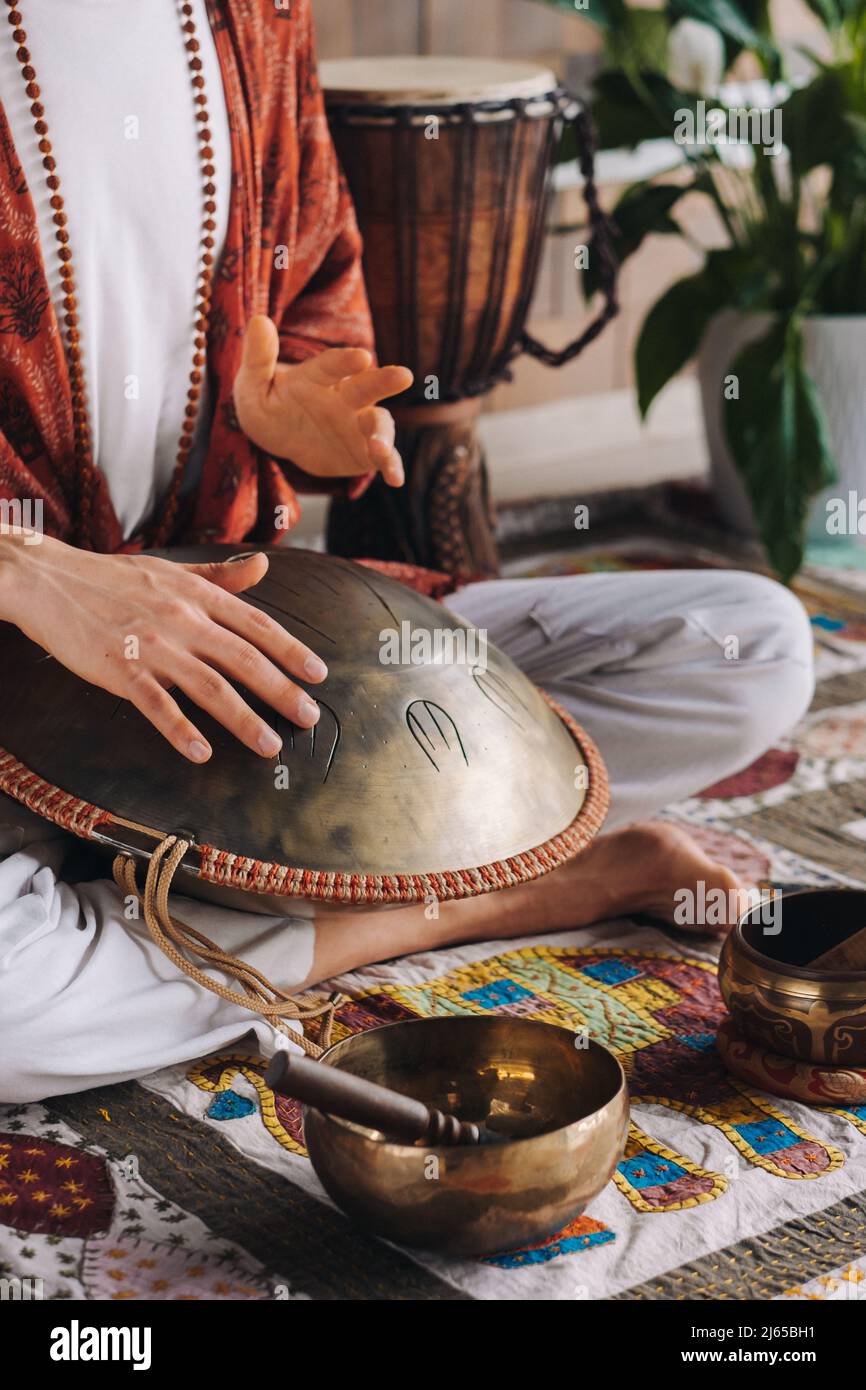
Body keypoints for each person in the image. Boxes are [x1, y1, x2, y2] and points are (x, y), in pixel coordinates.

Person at [0, 0, 813, 1102]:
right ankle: (512, 887)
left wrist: (293, 415)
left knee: (749, 648)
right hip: (16, 687)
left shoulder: (249, 13)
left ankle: (192, 884)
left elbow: (313, 301)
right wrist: (34, 572)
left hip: (250, 647)